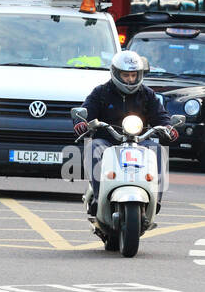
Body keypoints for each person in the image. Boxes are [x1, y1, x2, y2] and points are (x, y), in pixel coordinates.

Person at [73, 50, 177, 214]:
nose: (130, 79)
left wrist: (168, 127)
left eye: (133, 75)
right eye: (126, 75)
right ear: (115, 73)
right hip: (108, 140)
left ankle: (155, 198)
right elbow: (86, 111)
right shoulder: (101, 92)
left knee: (157, 150)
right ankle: (99, 197)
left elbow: (161, 116)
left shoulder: (147, 94)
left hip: (139, 140)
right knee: (93, 146)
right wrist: (81, 123)